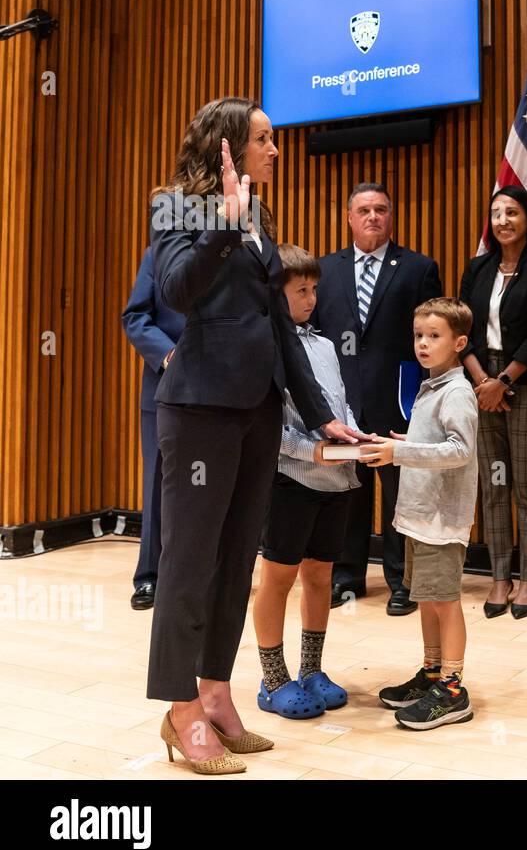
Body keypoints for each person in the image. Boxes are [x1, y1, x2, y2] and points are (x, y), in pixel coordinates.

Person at [148, 97, 365, 774]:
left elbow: (279, 327)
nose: (276, 150)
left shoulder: (261, 220)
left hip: (257, 411)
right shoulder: (177, 207)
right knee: (190, 563)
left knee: (237, 560)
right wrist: (223, 225)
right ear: (229, 144)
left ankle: (216, 691)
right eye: (265, 139)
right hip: (201, 412)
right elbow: (177, 293)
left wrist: (317, 408)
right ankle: (179, 708)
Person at [312, 182, 443, 617]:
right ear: (349, 218)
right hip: (342, 403)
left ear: (391, 216)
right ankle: (346, 576)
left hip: (399, 401)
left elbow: (433, 339)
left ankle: (403, 581)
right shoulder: (324, 270)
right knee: (347, 491)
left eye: (381, 209)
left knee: (400, 495)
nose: (373, 216)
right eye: (364, 210)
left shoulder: (418, 268)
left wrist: (427, 404)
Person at [251, 244, 360, 720]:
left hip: (334, 480)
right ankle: (273, 680)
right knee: (277, 578)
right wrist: (309, 449)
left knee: (321, 576)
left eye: (315, 289)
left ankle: (311, 670)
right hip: (288, 480)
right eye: (301, 291)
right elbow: (266, 424)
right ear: (277, 294)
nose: (311, 299)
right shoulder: (266, 347)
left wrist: (358, 440)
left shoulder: (325, 345)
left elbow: (339, 406)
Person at [362, 298, 479, 729]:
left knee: (445, 601)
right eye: (418, 336)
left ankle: (452, 689)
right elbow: (434, 441)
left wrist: (402, 451)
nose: (423, 344)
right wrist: (403, 440)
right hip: (419, 515)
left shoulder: (458, 391)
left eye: (435, 336)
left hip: (440, 520)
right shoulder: (432, 386)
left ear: (459, 342)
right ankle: (432, 673)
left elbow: (460, 450)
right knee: (426, 597)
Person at [458, 186, 527, 619]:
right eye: (496, 213)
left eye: (512, 212)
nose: (503, 220)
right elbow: (458, 327)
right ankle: (500, 577)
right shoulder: (477, 268)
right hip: (482, 383)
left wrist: (503, 381)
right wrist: (484, 382)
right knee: (495, 484)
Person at [121, 246, 185, 611]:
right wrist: (168, 354)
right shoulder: (156, 255)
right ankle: (149, 576)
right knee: (159, 481)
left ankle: (205, 575)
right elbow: (136, 317)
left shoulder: (229, 248)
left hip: (219, 382)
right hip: (165, 382)